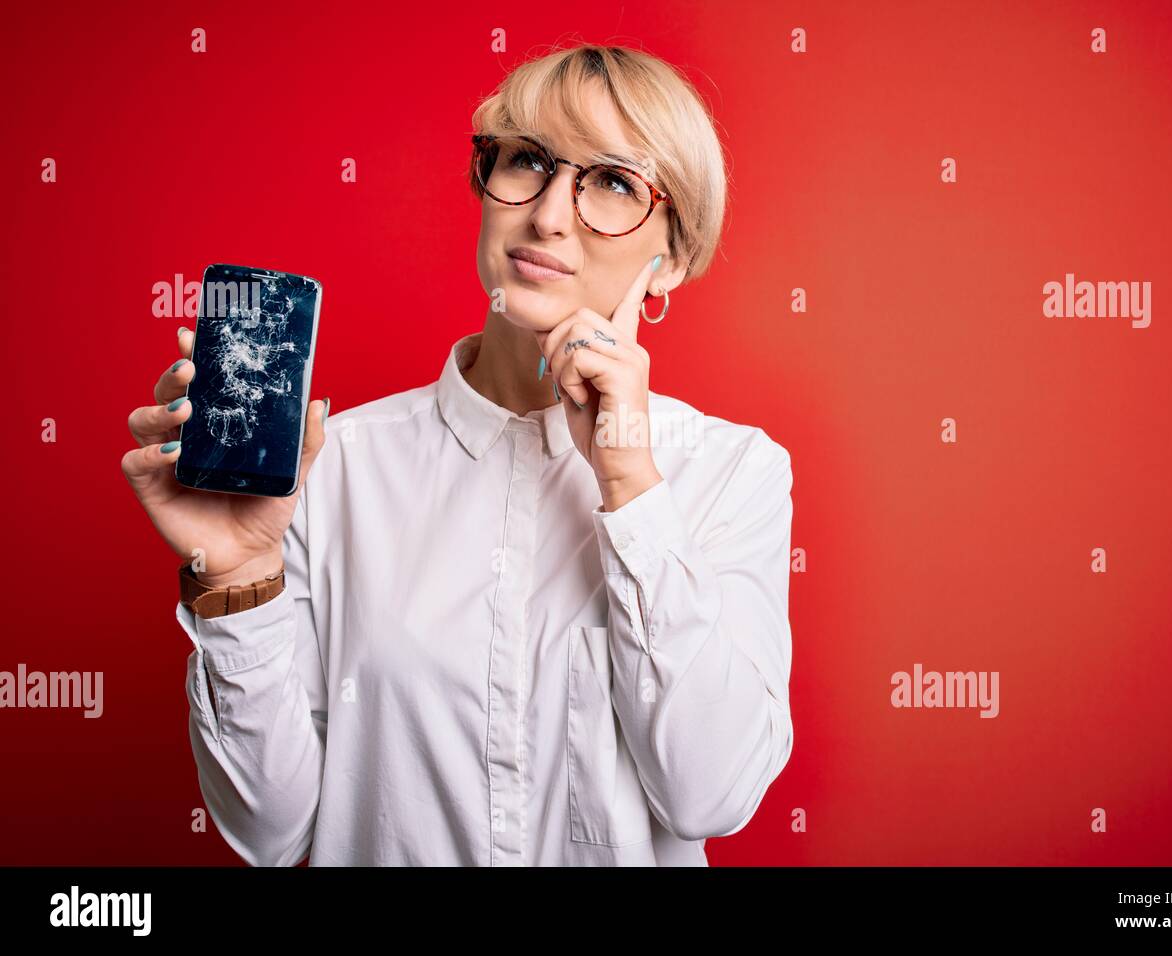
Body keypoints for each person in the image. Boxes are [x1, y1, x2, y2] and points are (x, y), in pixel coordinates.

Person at [121, 43, 794, 866]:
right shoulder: (330, 470)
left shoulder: (732, 473)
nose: (547, 216)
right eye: (528, 162)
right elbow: (270, 832)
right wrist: (236, 582)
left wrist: (628, 481)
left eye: (613, 183)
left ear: (673, 260)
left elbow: (711, 796)